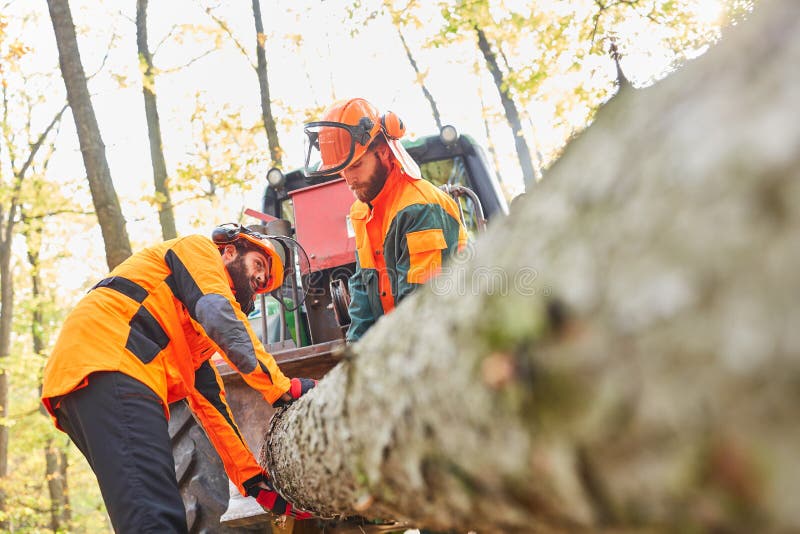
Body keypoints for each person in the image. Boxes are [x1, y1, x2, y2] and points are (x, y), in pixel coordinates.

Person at [41, 224, 315, 533]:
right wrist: (281, 388)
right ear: (229, 251)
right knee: (155, 519)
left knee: (147, 512)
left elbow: (214, 412)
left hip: (97, 378)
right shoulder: (198, 250)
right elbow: (220, 315)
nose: (261, 280)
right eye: (260, 265)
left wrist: (252, 481)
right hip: (112, 363)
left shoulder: (189, 334)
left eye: (265, 284)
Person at [304, 97, 468, 342]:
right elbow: (362, 290)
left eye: (356, 166)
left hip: (451, 338)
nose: (349, 180)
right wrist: (356, 353)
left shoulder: (419, 207)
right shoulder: (362, 212)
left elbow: (418, 302)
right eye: (342, 171)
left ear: (382, 152)